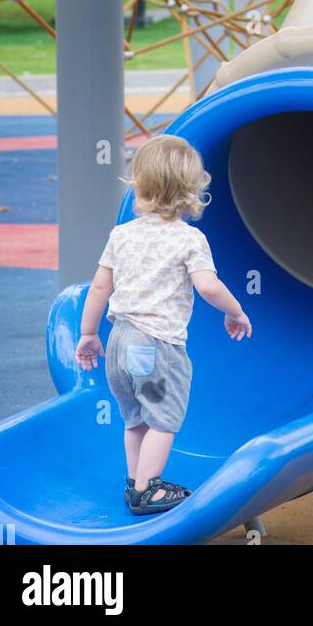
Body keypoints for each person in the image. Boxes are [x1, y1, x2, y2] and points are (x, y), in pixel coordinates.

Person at [75, 134, 252, 516]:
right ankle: (147, 489)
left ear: (138, 185)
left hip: (119, 342)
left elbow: (100, 288)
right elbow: (208, 286)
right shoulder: (189, 239)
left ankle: (134, 480)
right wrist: (235, 311)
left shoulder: (121, 235)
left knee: (135, 418)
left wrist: (89, 334)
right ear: (191, 191)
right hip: (156, 346)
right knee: (165, 420)